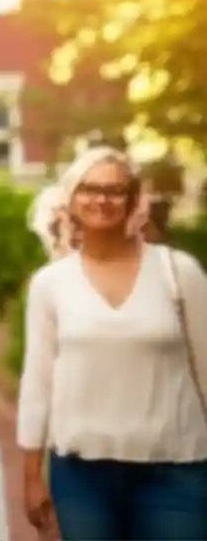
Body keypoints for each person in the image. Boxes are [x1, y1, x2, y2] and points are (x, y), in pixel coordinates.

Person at [17, 147, 207, 541]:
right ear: (70, 198)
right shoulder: (51, 284)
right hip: (83, 478)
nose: (102, 199)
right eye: (89, 188)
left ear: (133, 199)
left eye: (115, 190)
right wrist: (32, 475)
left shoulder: (178, 273)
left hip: (176, 470)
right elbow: (37, 385)